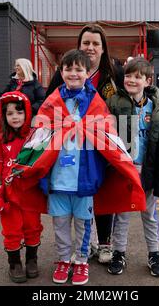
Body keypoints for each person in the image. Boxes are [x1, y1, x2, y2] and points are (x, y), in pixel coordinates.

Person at [5, 49, 145, 285]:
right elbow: (38, 135)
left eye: (79, 69)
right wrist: (23, 163)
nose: (73, 73)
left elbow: (108, 134)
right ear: (61, 71)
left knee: (83, 224)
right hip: (58, 178)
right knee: (59, 225)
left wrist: (125, 158)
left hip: (85, 178)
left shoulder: (95, 101)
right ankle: (62, 260)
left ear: (87, 72)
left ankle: (80, 261)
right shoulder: (52, 101)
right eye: (68, 68)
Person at [46, 24, 125, 264]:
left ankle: (104, 243)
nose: (90, 48)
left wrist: (157, 101)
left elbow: (133, 93)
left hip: (106, 142)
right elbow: (48, 101)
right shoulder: (66, 71)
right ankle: (85, 245)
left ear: (103, 48)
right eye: (86, 43)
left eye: (95, 44)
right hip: (75, 149)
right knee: (85, 193)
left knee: (105, 190)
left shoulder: (115, 72)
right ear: (79, 46)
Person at [106, 57, 159, 277]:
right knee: (122, 215)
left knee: (149, 215)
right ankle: (118, 252)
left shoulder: (157, 107)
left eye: (137, 76)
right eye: (128, 75)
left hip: (148, 170)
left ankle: (154, 253)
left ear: (147, 80)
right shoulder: (114, 103)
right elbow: (109, 137)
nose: (131, 80)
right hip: (125, 170)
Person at [0, 91, 45, 283]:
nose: (15, 117)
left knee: (33, 227)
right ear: (4, 116)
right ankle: (14, 263)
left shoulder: (35, 137)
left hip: (31, 193)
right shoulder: (1, 140)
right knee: (12, 229)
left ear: (27, 113)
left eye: (19, 113)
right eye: (10, 113)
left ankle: (31, 260)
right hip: (8, 195)